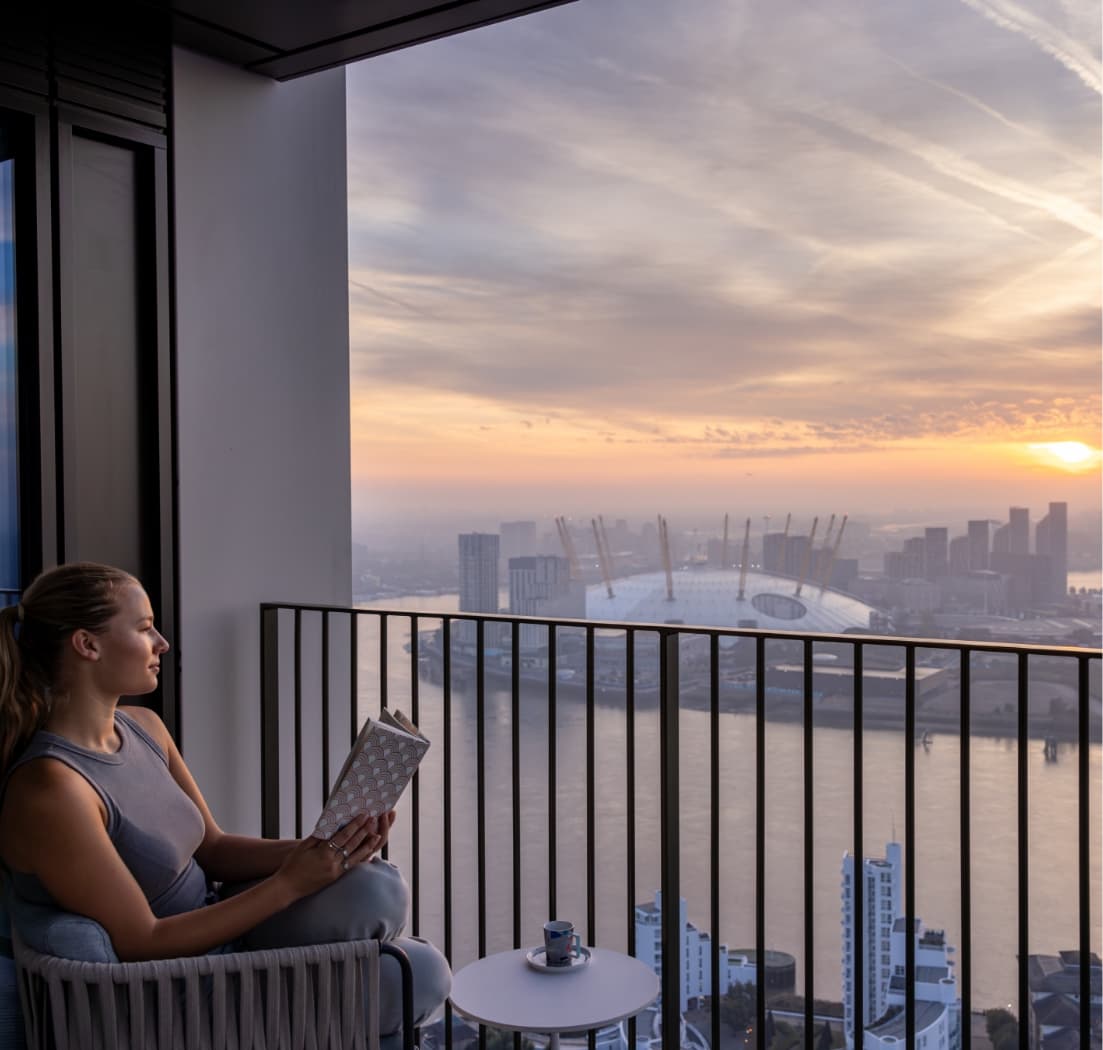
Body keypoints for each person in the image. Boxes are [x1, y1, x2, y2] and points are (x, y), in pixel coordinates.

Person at [0, 562, 449, 1035]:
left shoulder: (143, 727)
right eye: (145, 628)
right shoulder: (51, 790)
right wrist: (290, 884)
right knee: (418, 973)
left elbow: (211, 849)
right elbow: (141, 940)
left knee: (376, 884)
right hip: (184, 986)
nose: (162, 644)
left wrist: (321, 850)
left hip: (225, 927)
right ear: (87, 645)